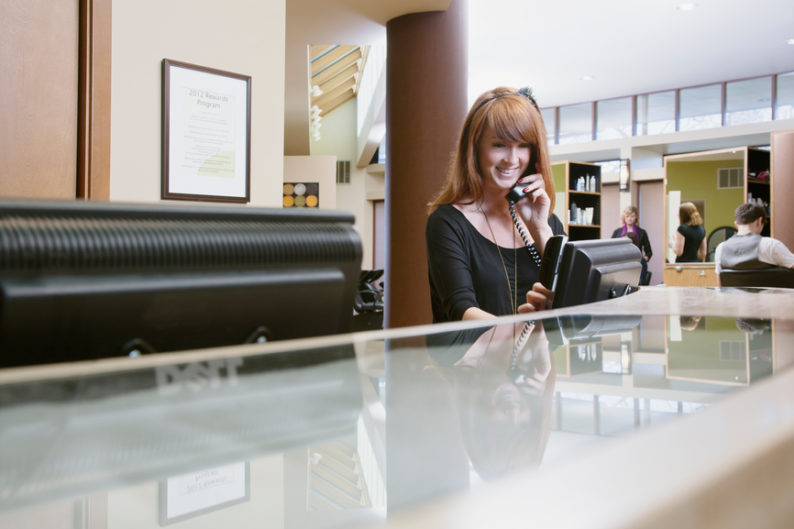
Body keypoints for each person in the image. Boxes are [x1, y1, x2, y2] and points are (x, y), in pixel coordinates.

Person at [425, 86, 566, 323]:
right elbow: (461, 309)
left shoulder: (547, 221)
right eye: (499, 144)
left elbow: (575, 296)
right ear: (475, 147)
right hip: (473, 358)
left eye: (523, 145)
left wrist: (540, 228)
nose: (512, 159)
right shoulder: (447, 222)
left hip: (537, 358)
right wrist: (518, 334)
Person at [714, 202, 794, 284]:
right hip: (771, 296)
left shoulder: (721, 248)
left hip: (733, 297)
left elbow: (720, 284)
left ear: (736, 224)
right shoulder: (770, 245)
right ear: (759, 221)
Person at [611, 205, 652, 285]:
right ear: (624, 217)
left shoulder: (642, 232)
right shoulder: (617, 232)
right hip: (621, 262)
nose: (630, 218)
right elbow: (611, 249)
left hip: (637, 262)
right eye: (627, 216)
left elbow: (649, 252)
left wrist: (642, 260)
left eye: (632, 216)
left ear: (636, 217)